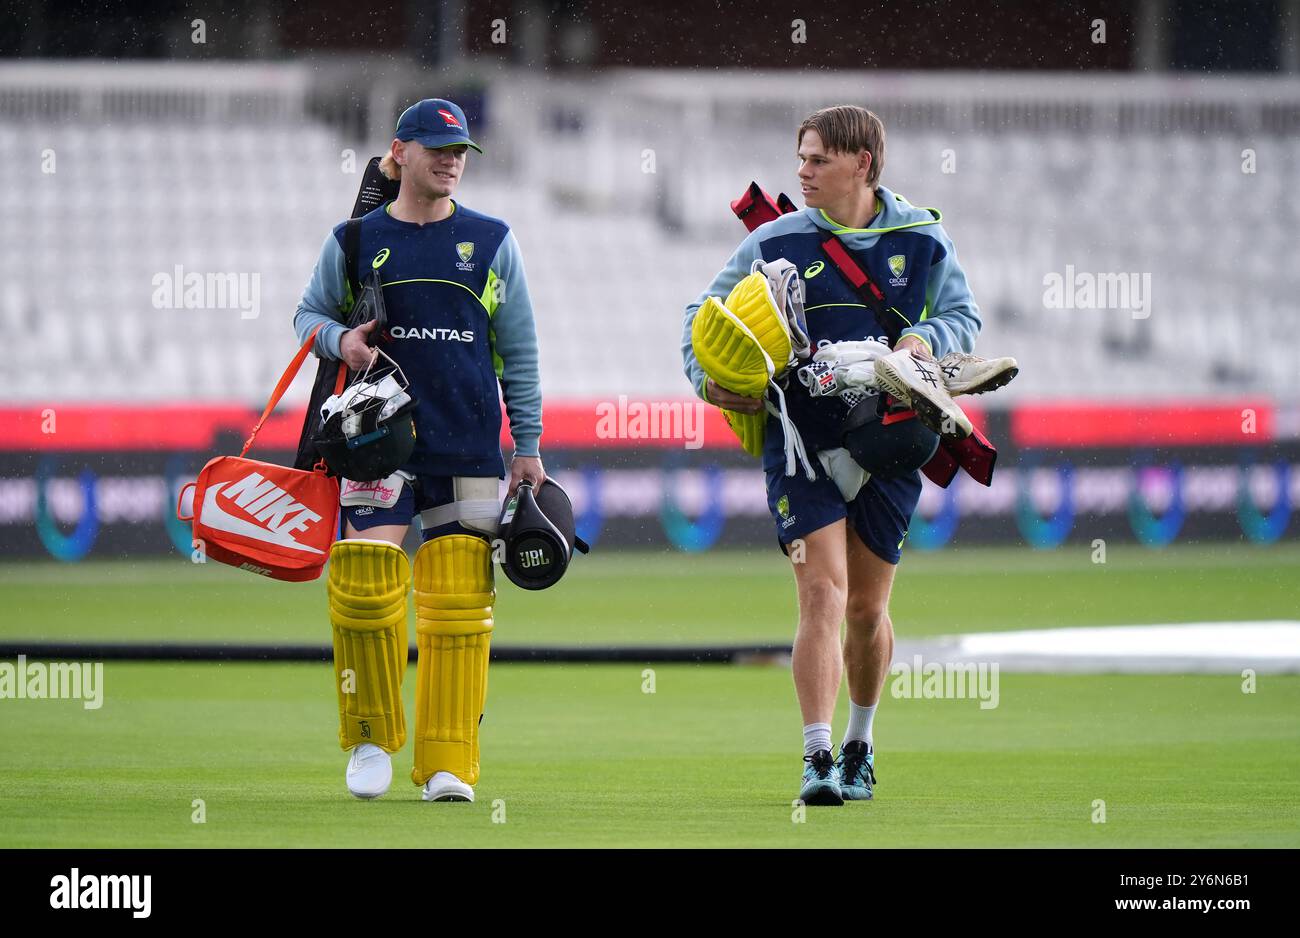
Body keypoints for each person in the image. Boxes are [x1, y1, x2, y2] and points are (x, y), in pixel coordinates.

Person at [682, 105, 1005, 805]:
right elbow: (701, 319)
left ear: (862, 163)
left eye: (818, 159)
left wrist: (918, 342)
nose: (802, 172)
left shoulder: (921, 238)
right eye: (800, 158)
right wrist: (711, 381)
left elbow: (964, 319)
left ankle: (860, 743)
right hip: (799, 440)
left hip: (894, 438)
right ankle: (817, 758)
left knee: (866, 608)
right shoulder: (775, 238)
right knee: (821, 594)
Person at [293, 98, 544, 803]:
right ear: (398, 152)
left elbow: (518, 350)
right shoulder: (354, 239)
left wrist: (527, 443)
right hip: (375, 441)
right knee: (366, 586)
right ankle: (370, 737)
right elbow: (308, 312)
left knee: (460, 601)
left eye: (460, 148)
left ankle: (447, 762)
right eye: (436, 147)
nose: (451, 158)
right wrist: (337, 339)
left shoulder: (493, 240)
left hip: (467, 444)